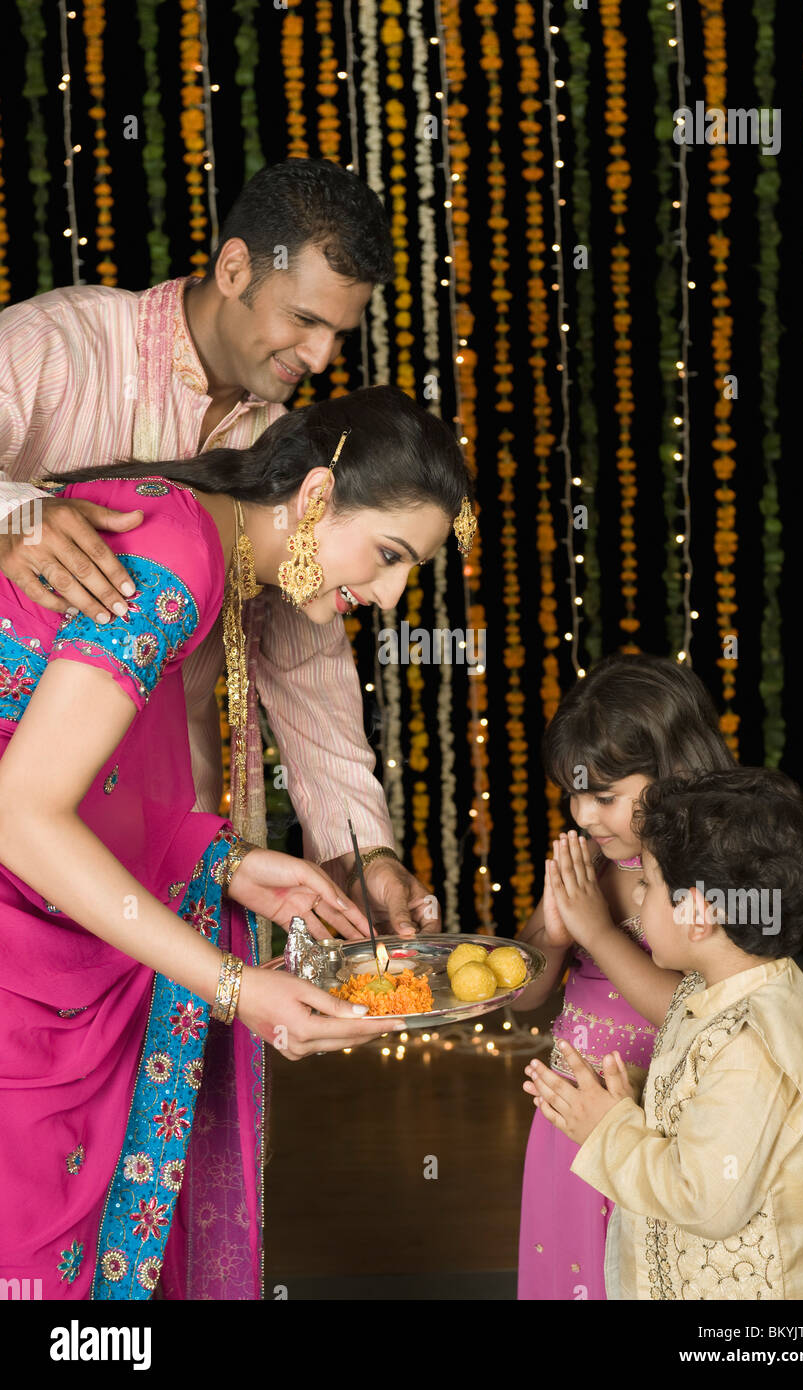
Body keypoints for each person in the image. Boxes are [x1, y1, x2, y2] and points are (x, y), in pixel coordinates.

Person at [0, 384, 475, 1300]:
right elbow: (23, 811)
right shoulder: (181, 554)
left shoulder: (198, 544)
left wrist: (224, 862)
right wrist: (233, 985)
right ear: (317, 497)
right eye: (388, 555)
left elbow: (83, 773)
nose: (386, 594)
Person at [0, 157, 439, 949]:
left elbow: (306, 669)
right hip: (27, 836)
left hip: (174, 841)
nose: (321, 357)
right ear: (235, 267)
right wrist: (14, 517)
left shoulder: (281, 446)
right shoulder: (64, 347)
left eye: (340, 332)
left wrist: (361, 849)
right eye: (305, 320)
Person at [523, 766, 803, 1300]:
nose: (638, 897)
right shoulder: (735, 987)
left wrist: (609, 1129)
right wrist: (635, 1100)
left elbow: (703, 1199)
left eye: (647, 886)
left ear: (697, 915)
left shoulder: (754, 1045)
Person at [514, 654, 735, 1300]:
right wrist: (554, 935)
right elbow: (525, 995)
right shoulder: (591, 868)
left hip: (655, 1133)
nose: (583, 814)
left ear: (674, 771)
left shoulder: (704, 872)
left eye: (605, 797)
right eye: (574, 794)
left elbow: (701, 1009)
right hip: (567, 1131)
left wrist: (599, 934)